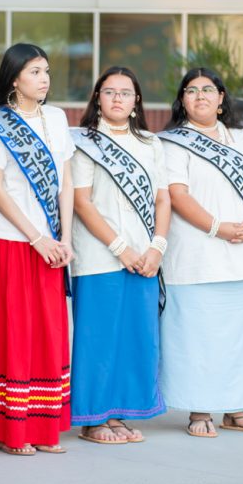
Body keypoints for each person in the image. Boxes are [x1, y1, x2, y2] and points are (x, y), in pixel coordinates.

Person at [0, 44, 76, 455]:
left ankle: (43, 427)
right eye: (34, 72)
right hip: (11, 241)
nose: (44, 79)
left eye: (46, 71)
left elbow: (66, 179)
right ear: (14, 78)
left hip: (51, 244)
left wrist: (64, 237)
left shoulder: (57, 117)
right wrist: (37, 237)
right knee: (12, 333)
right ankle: (10, 430)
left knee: (48, 334)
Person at [158, 68, 243, 439]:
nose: (200, 96)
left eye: (208, 89)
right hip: (196, 255)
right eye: (191, 91)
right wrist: (217, 227)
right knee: (196, 336)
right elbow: (178, 195)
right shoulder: (172, 142)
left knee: (239, 336)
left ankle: (237, 408)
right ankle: (199, 409)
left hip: (242, 253)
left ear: (222, 98)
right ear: (183, 100)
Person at [69, 67, 170, 444]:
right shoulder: (84, 142)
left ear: (136, 100)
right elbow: (82, 201)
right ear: (97, 98)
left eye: (125, 93)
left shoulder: (150, 143)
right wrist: (119, 248)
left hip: (144, 256)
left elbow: (163, 197)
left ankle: (122, 414)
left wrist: (156, 247)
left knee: (135, 336)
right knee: (98, 337)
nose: (117, 99)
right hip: (99, 256)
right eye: (109, 92)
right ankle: (95, 418)